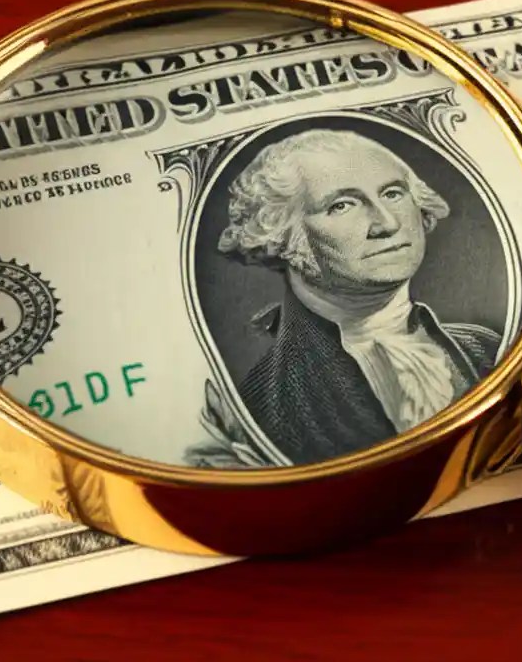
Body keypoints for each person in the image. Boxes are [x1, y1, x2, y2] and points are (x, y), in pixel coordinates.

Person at [215, 128, 501, 465]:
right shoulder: (261, 409)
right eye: (341, 205)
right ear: (282, 234)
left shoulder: (487, 348)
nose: (387, 223)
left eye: (393, 193)